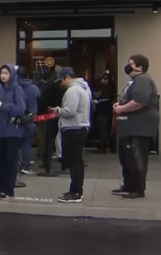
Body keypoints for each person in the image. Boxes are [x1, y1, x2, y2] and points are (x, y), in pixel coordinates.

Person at [112, 55, 159, 200]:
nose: (128, 66)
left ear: (140, 67)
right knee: (127, 159)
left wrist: (121, 109)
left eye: (131, 64)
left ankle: (138, 189)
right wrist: (119, 106)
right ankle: (128, 185)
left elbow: (139, 101)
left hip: (139, 129)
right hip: (129, 128)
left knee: (136, 159)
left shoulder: (143, 80)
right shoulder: (134, 81)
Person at [50, 67, 92, 203]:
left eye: (61, 80)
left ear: (67, 77)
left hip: (73, 128)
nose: (61, 84)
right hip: (81, 126)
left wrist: (57, 110)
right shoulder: (84, 88)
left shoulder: (73, 90)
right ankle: (75, 189)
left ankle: (76, 192)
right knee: (77, 161)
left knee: (74, 162)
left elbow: (69, 111)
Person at [0, 64, 27, 200]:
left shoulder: (17, 89)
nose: (4, 76)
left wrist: (3, 106)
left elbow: (20, 109)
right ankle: (0, 187)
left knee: (10, 161)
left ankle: (8, 189)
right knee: (0, 161)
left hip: (13, 130)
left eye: (6, 73)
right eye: (2, 73)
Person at [18, 66, 41, 175]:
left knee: (16, 144)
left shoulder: (14, 87)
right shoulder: (34, 88)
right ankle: (25, 165)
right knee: (27, 144)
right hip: (31, 118)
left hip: (17, 118)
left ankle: (17, 164)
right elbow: (40, 99)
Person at [94, 72, 116, 154]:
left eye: (104, 79)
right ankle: (104, 146)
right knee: (102, 129)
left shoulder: (107, 88)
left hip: (104, 112)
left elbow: (105, 100)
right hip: (102, 112)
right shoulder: (102, 88)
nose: (102, 80)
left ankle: (103, 147)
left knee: (103, 129)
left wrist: (97, 101)